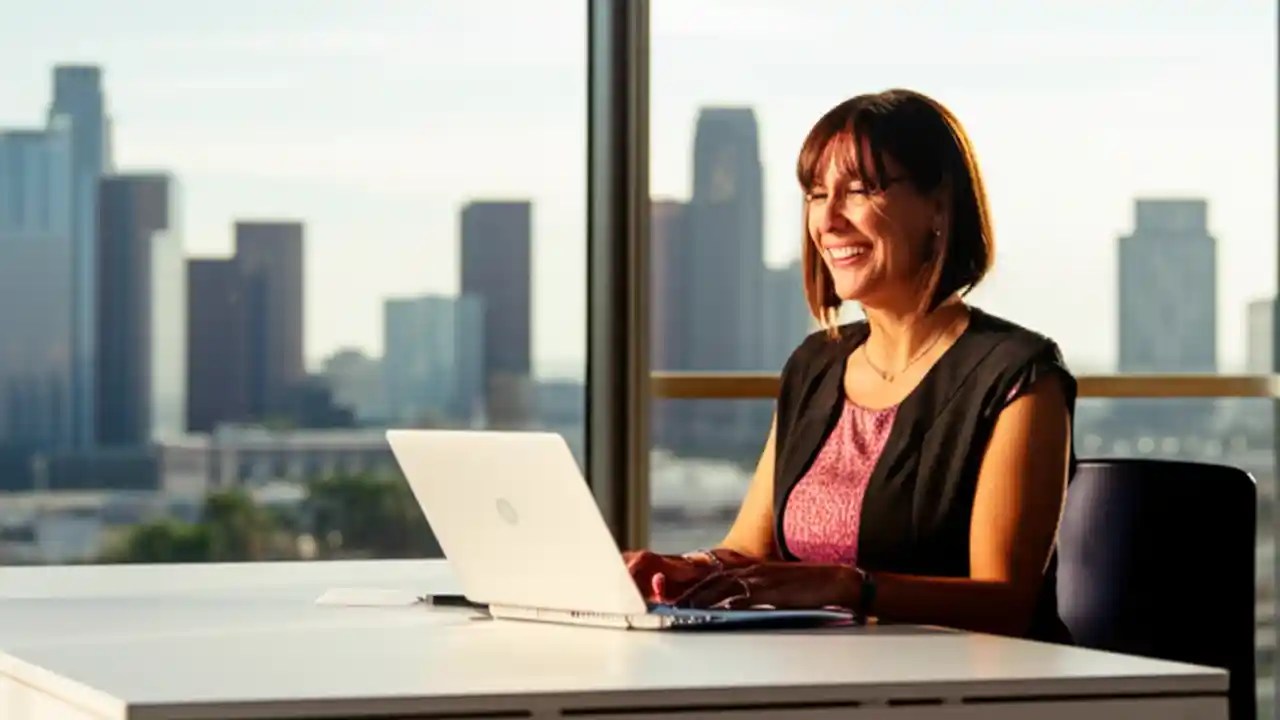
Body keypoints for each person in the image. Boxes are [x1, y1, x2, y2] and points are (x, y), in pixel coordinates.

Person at [627, 88, 1076, 642]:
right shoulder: (814, 365)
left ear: (939, 204)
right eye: (817, 194)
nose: (829, 220)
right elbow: (748, 549)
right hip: (820, 674)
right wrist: (682, 569)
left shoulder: (1017, 376)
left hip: (958, 688)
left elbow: (1006, 603)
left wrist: (845, 586)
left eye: (859, 190)